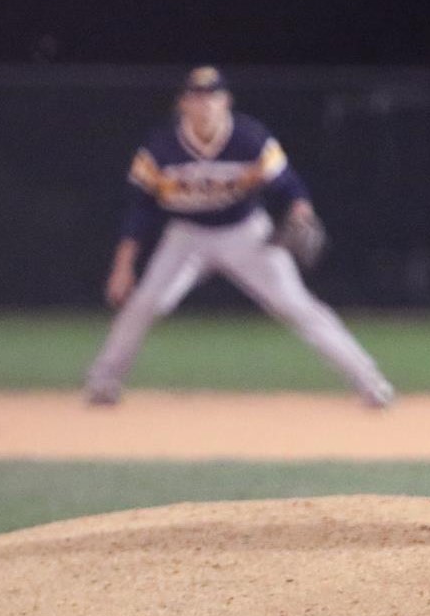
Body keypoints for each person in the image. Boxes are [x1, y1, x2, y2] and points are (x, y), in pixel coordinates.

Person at [81, 66, 396, 409]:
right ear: (183, 104)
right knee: (145, 303)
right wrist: (123, 265)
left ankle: (370, 382)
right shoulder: (162, 148)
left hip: (245, 233)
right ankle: (103, 382)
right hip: (185, 236)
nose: (205, 105)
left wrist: (300, 211)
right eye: (196, 97)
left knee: (297, 306)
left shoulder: (249, 138)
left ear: (226, 101)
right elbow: (140, 210)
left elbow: (288, 185)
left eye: (213, 96)